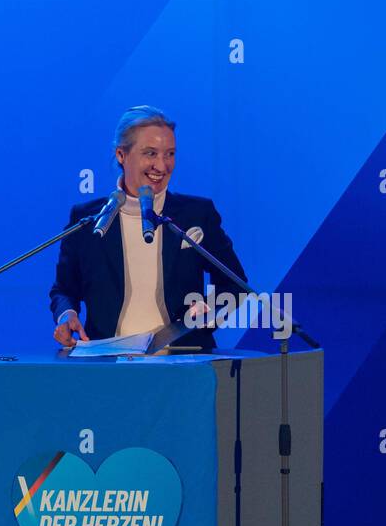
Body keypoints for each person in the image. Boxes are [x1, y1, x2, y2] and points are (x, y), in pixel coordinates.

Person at [49, 105, 247, 351]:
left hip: (182, 362)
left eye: (170, 154)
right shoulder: (88, 219)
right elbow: (64, 289)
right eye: (151, 153)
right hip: (108, 365)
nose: (162, 166)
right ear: (121, 155)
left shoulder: (196, 214)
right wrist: (67, 316)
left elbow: (235, 285)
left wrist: (202, 314)